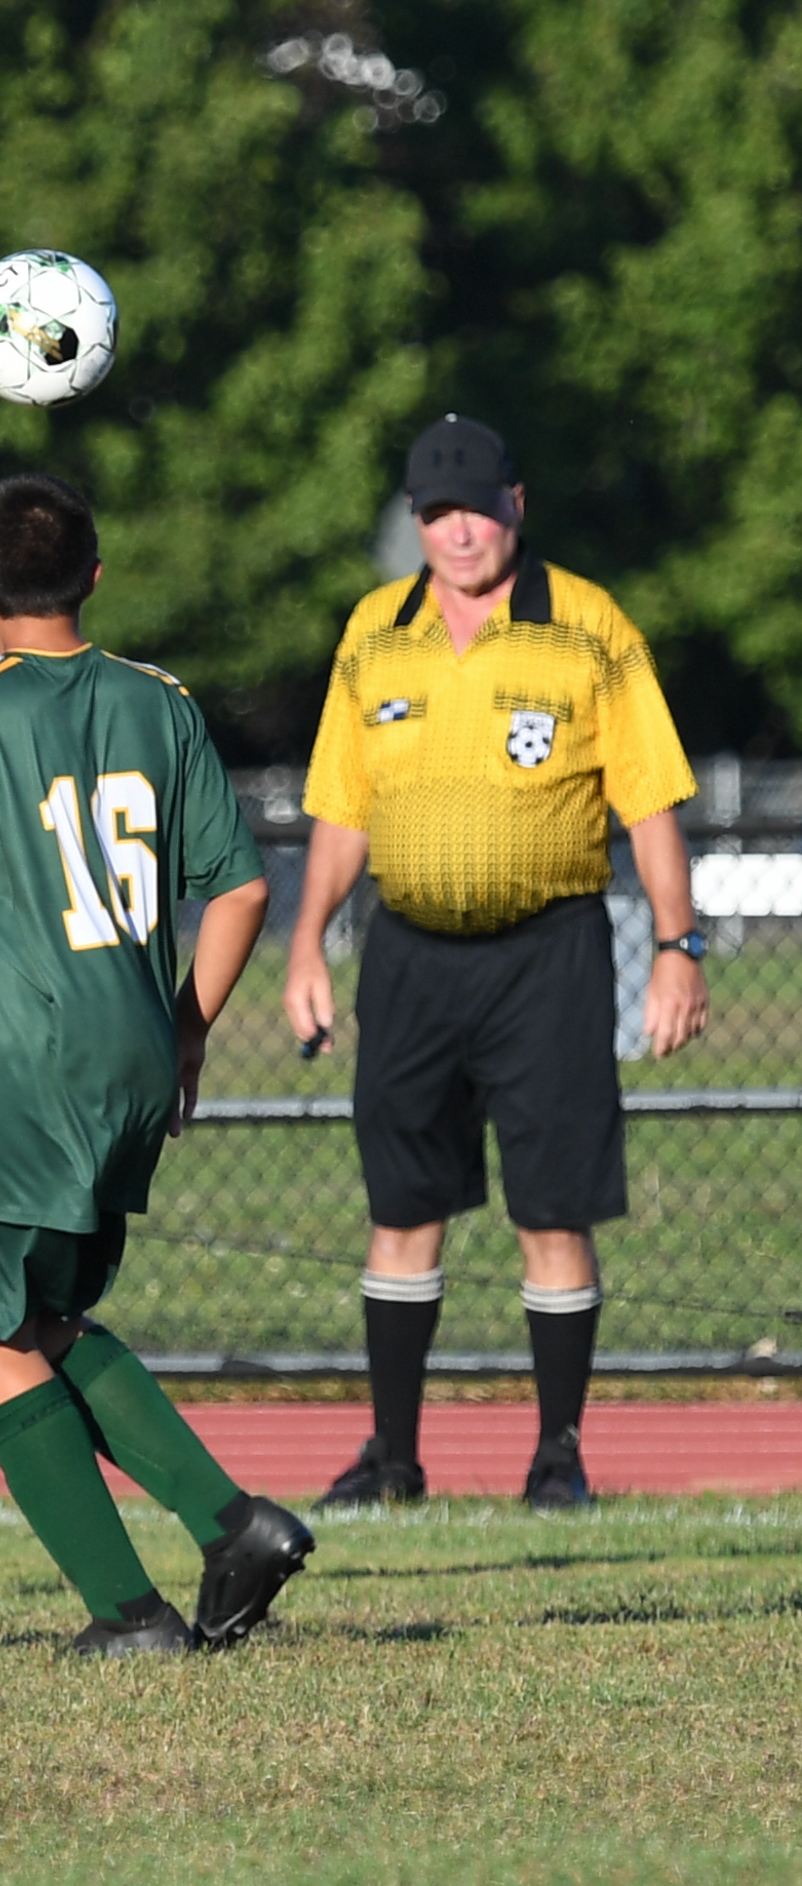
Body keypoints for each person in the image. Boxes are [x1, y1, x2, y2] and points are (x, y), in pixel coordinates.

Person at [0, 471, 314, 1653]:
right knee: (42, 1317)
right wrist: (190, 1023)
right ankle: (238, 1528)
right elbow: (244, 884)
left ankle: (129, 1610)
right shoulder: (159, 699)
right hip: (133, 1060)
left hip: (22, 1070)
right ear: (94, 577)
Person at [283, 414, 709, 1510]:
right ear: (415, 521)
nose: (458, 529)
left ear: (518, 503)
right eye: (436, 511)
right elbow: (342, 807)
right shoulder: (377, 630)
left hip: (549, 953)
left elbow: (650, 798)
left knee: (552, 1212)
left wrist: (678, 945)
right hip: (410, 956)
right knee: (403, 1204)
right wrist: (306, 947)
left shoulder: (588, 626)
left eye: (475, 505)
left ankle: (558, 1454)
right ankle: (392, 1457)